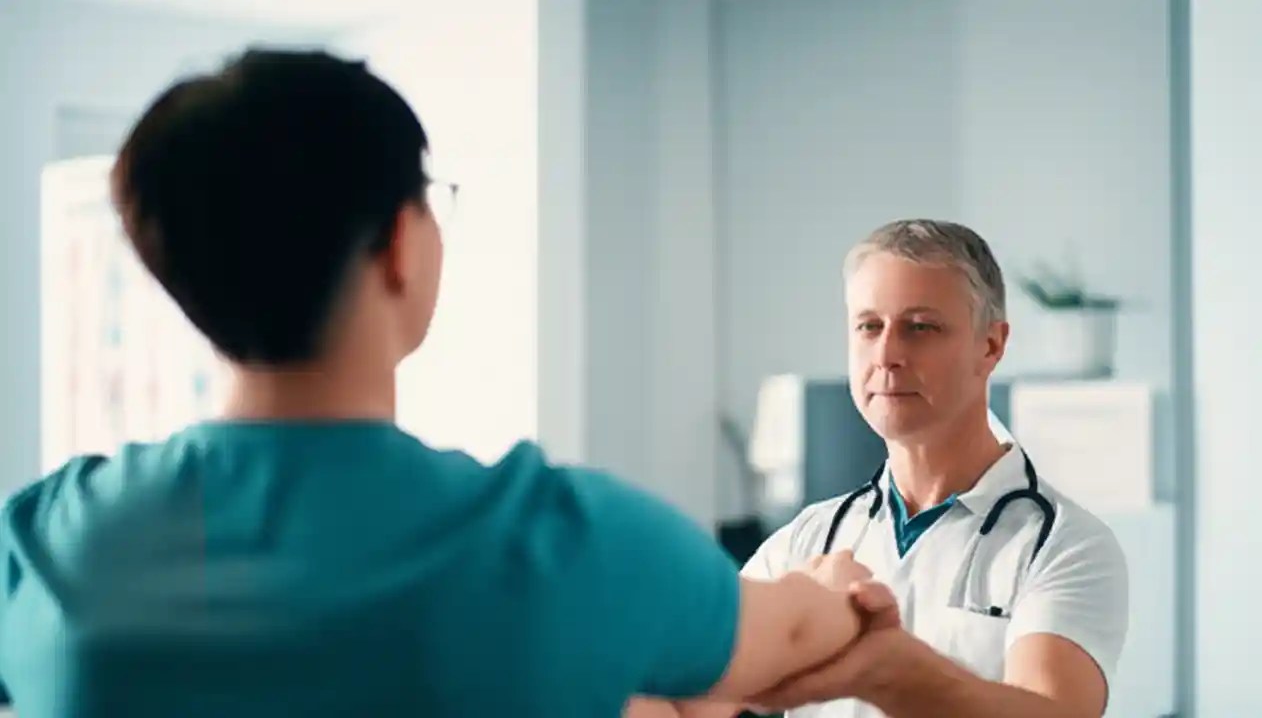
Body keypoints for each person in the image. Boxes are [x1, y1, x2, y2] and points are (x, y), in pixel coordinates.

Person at [0, 49, 874, 717]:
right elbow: (804, 628)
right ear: (398, 243)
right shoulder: (560, 544)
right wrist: (837, 579)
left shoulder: (43, 543)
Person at [655, 220, 1129, 718]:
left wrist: (888, 670)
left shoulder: (1062, 545)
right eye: (868, 327)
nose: (886, 355)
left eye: (920, 327)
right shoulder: (809, 540)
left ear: (990, 346)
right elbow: (691, 698)